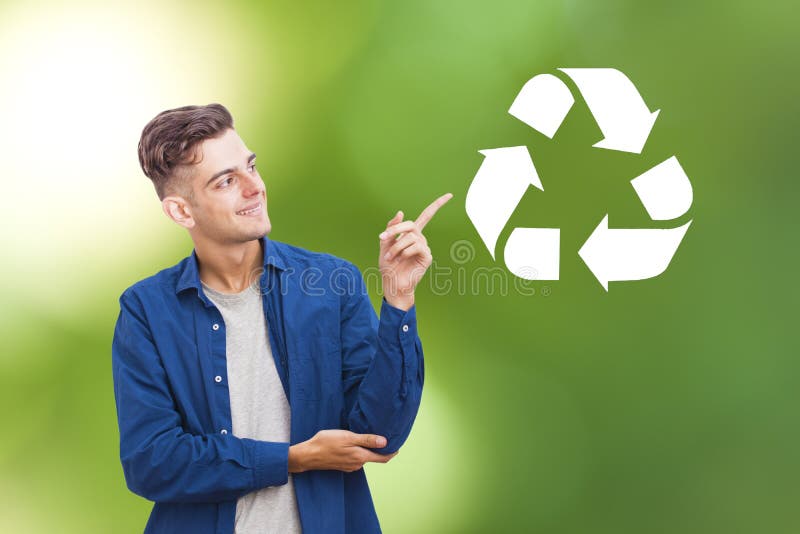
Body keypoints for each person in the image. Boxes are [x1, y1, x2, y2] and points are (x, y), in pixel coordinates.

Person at [111, 103, 452, 533]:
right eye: (227, 181)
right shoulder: (146, 310)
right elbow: (152, 464)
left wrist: (399, 298)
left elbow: (381, 434)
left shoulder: (332, 283)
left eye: (251, 167)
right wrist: (293, 459)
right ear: (181, 211)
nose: (254, 187)